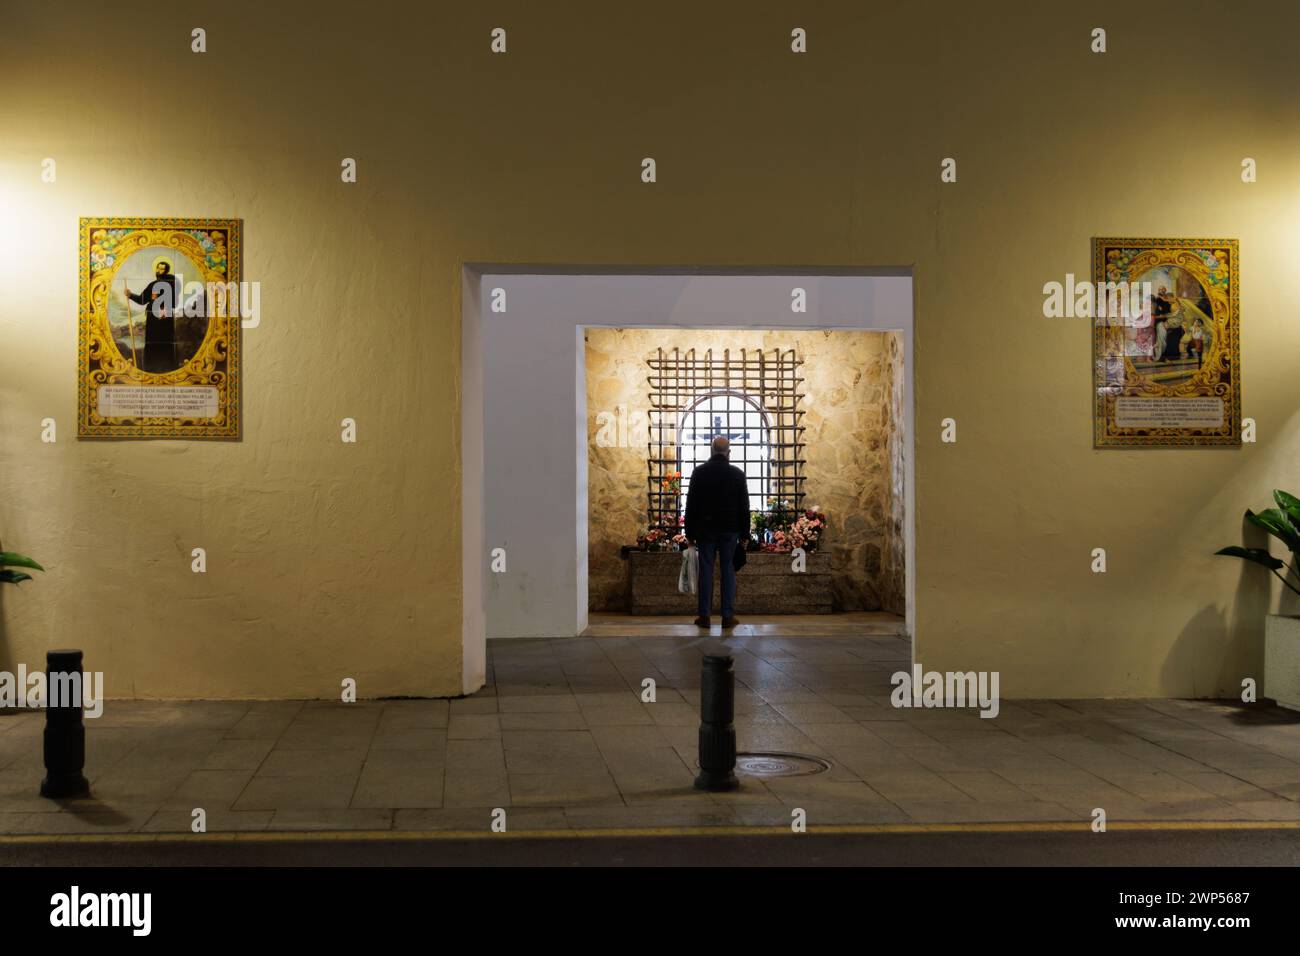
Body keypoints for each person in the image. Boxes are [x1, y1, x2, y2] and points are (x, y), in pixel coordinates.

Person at [684, 435, 751, 629]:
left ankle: (704, 616)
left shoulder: (699, 473)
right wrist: (744, 535)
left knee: (706, 572)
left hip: (706, 530)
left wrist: (689, 532)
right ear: (728, 452)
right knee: (728, 572)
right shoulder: (737, 474)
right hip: (730, 530)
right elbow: (743, 506)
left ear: (712, 450)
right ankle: (727, 617)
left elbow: (691, 505)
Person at [124, 258, 180, 372]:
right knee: (152, 341)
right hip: (153, 318)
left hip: (164, 317)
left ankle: (166, 367)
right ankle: (152, 368)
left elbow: (174, 301)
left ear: (166, 271)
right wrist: (130, 295)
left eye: (162, 269)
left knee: (165, 341)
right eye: (158, 268)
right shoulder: (153, 285)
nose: (159, 270)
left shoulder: (171, 284)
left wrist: (164, 306)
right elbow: (142, 299)